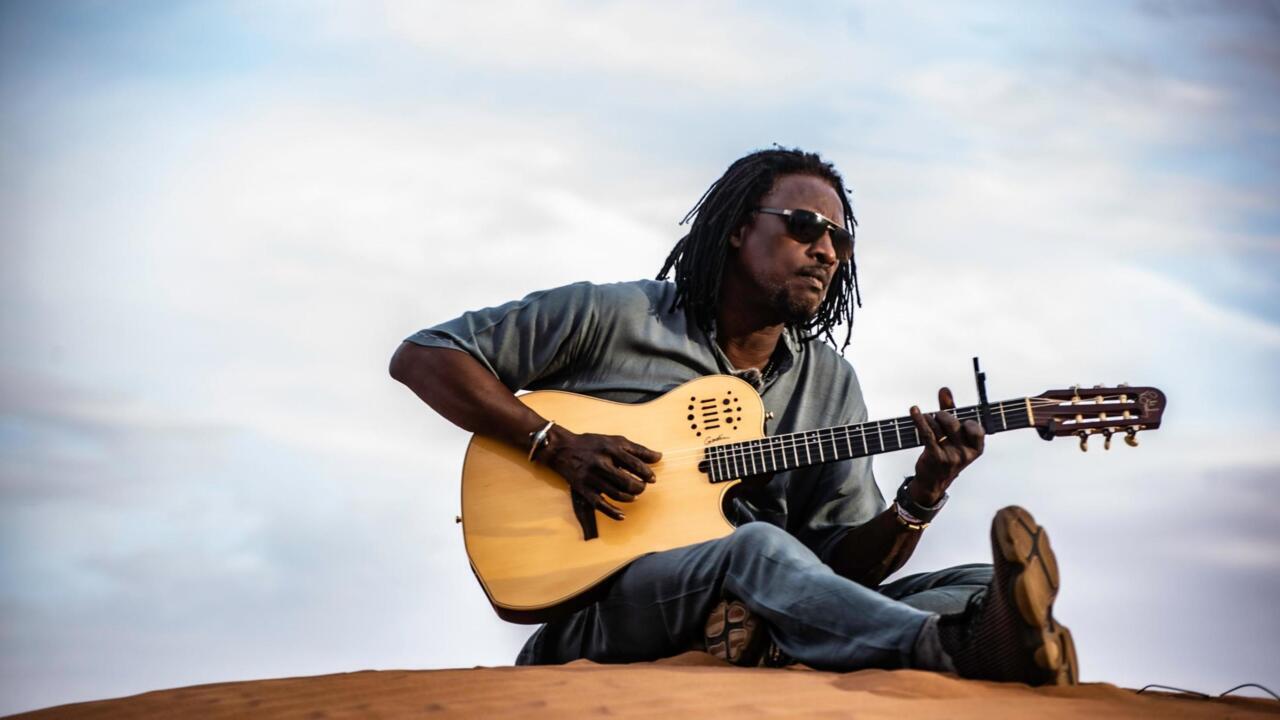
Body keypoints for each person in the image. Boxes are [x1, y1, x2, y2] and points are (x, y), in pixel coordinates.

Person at [389, 147, 1078, 685]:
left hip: (762, 605)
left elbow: (842, 569)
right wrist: (555, 444)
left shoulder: (829, 382)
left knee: (985, 586)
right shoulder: (617, 316)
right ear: (738, 229)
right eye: (806, 227)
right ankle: (944, 650)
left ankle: (778, 644)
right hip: (607, 611)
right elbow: (426, 355)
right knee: (758, 550)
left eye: (841, 242)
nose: (827, 252)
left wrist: (922, 494)